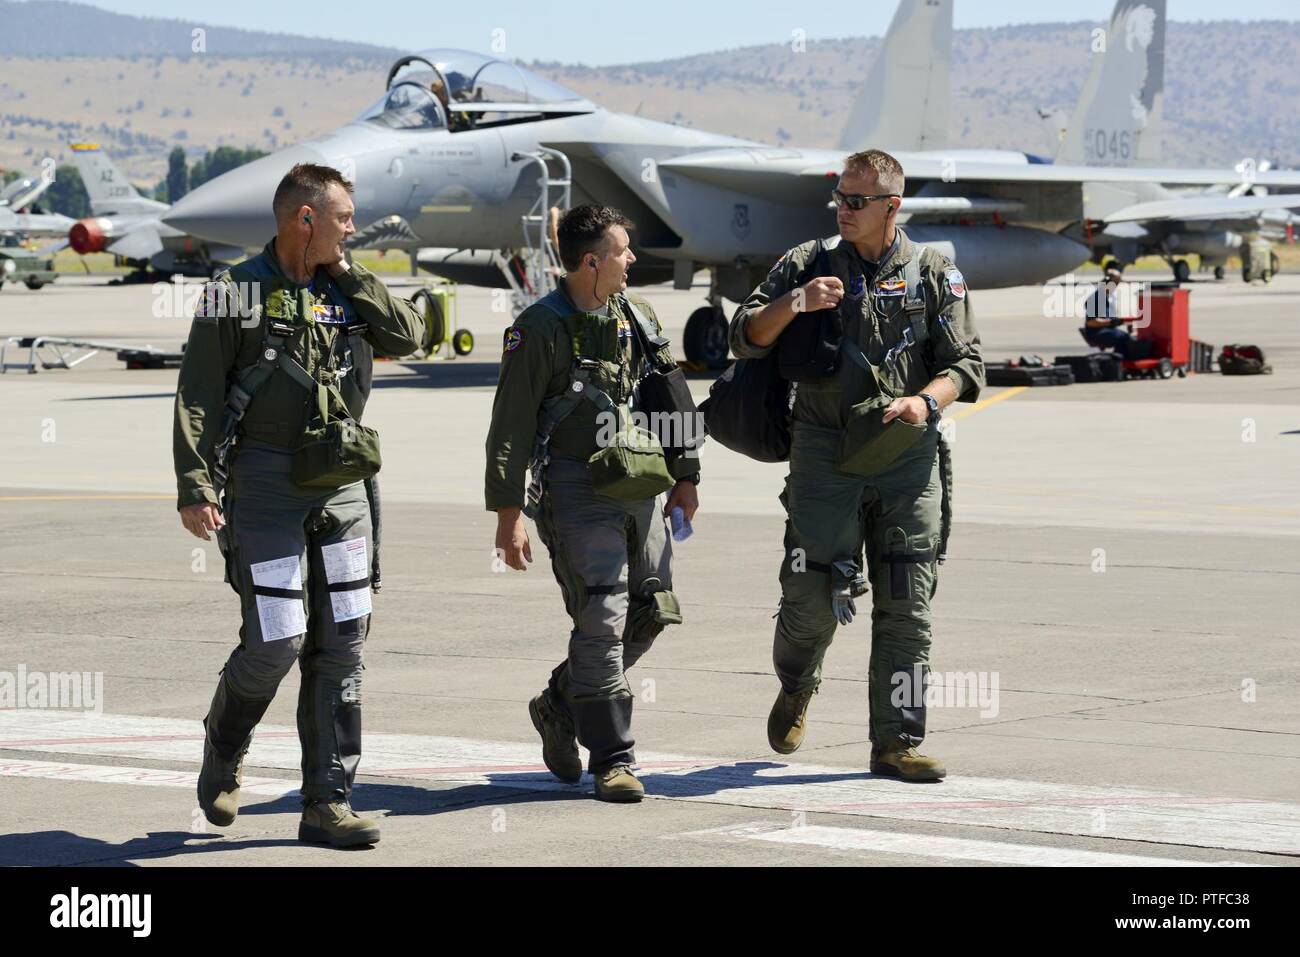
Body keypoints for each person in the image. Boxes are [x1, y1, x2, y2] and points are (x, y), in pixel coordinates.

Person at [174, 163, 424, 846]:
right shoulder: (234, 293)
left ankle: (327, 803)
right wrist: (196, 485)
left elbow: (409, 336)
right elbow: (198, 391)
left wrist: (351, 274)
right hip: (265, 484)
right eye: (342, 217)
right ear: (303, 219)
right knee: (278, 639)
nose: (352, 227)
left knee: (344, 640)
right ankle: (224, 746)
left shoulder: (347, 286)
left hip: (343, 485)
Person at [729, 149, 984, 782]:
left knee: (907, 602)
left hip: (906, 455)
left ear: (891, 207)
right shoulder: (806, 263)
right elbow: (743, 334)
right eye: (839, 198)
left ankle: (896, 742)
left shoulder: (933, 272)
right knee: (811, 593)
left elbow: (967, 365)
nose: (843, 209)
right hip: (823, 449)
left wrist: (926, 402)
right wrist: (796, 302)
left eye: (856, 201)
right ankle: (796, 684)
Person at [485, 204, 700, 802]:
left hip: (640, 481)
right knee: (603, 619)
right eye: (623, 251)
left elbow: (669, 394)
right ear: (590, 262)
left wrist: (686, 475)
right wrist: (509, 519)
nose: (632, 259)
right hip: (576, 489)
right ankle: (613, 758)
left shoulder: (639, 315)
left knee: (651, 610)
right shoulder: (539, 330)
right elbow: (510, 429)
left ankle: (560, 701)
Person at [1083, 264, 1152, 359]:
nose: (1116, 287)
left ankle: (1120, 362)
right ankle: (1118, 363)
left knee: (1127, 337)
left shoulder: (1108, 297)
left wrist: (1124, 322)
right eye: (1115, 284)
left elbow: (1110, 318)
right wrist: (1112, 322)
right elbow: (1091, 322)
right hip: (1096, 333)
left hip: (1106, 330)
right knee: (1122, 338)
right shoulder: (1095, 299)